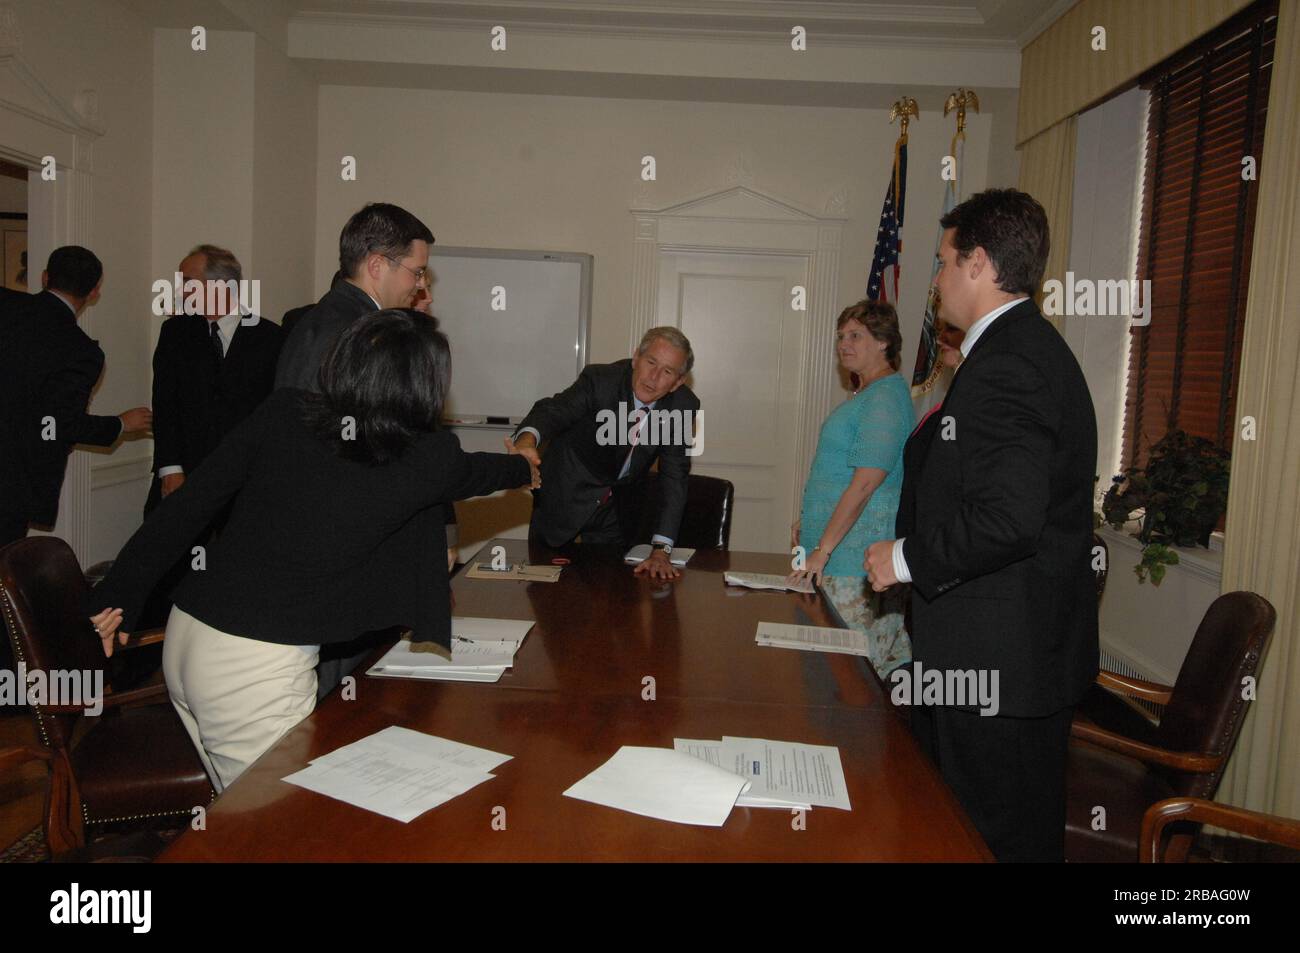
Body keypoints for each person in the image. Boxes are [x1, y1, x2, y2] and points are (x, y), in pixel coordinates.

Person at [87, 310, 538, 792]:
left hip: (188, 635)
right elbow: (479, 472)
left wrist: (118, 594)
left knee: (237, 824)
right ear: (424, 387)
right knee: (279, 832)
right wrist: (524, 468)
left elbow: (188, 507)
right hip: (252, 669)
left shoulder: (284, 412)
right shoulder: (423, 458)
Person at [864, 188, 1099, 862]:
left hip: (999, 661)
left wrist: (903, 559)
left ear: (981, 265)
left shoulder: (1010, 364)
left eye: (942, 263)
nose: (934, 280)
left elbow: (1008, 518)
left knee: (985, 840)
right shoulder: (1017, 349)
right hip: (996, 654)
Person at [273, 203, 456, 695]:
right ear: (377, 265)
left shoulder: (322, 319)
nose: (419, 287)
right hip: (335, 545)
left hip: (316, 535)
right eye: (416, 273)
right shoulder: (359, 335)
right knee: (337, 690)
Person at [510, 327, 700, 581]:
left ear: (678, 382)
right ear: (635, 358)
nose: (653, 377)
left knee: (613, 593)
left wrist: (661, 550)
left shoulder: (683, 406)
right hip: (566, 491)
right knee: (546, 591)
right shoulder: (600, 381)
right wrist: (527, 438)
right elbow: (555, 410)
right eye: (650, 362)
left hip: (619, 506)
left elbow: (674, 477)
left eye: (667, 371)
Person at [787, 301, 914, 679]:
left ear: (884, 343)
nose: (844, 344)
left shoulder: (886, 398)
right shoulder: (865, 396)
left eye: (856, 335)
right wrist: (809, 521)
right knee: (827, 677)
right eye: (841, 336)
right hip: (835, 559)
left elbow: (864, 484)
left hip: (854, 564)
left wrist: (822, 550)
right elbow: (840, 474)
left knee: (851, 682)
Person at [0, 246, 152, 548]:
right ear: (94, 291)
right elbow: (61, 423)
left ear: (45, 277)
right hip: (12, 487)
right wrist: (120, 424)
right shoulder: (82, 352)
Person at [148, 245, 283, 511]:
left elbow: (274, 412)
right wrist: (170, 468)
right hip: (182, 476)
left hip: (245, 484)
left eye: (187, 281)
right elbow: (165, 403)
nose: (180, 290)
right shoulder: (175, 333)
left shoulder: (271, 338)